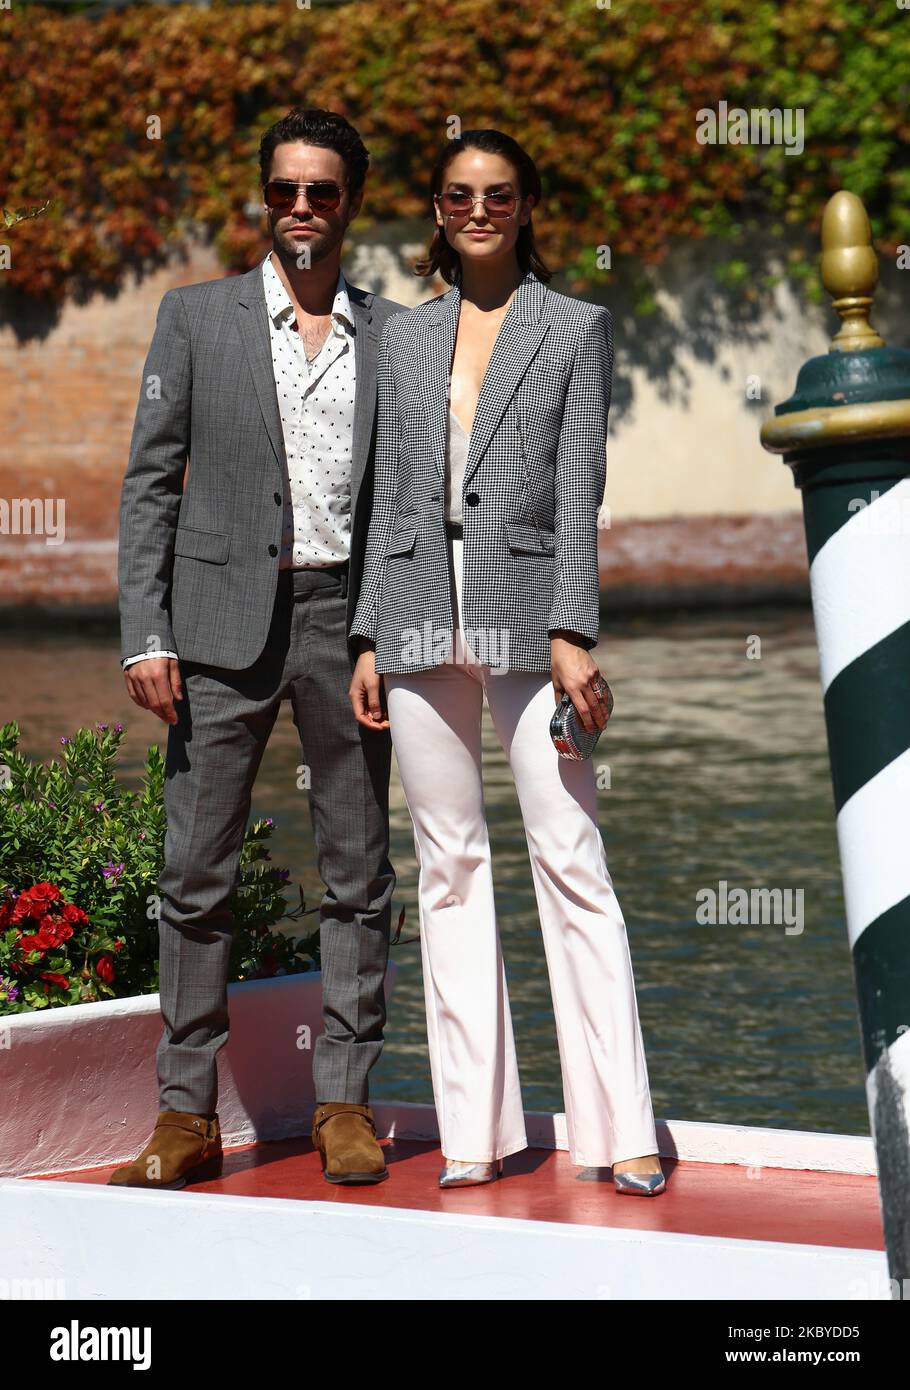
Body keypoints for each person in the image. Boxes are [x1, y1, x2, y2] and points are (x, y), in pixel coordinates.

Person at [348, 129, 665, 1195]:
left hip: (530, 617)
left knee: (571, 857)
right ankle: (475, 1132)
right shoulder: (399, 337)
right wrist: (363, 633)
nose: (476, 210)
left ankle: (623, 1126)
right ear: (436, 211)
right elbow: (384, 496)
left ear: (526, 204)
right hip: (415, 614)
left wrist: (574, 628)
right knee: (447, 869)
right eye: (456, 196)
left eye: (496, 195)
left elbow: (581, 488)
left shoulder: (576, 327)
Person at [112, 108, 404, 1190]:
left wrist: (380, 630)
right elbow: (149, 484)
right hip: (217, 630)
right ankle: (184, 1112)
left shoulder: (395, 334)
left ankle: (344, 1103)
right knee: (195, 874)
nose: (299, 210)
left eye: (320, 192)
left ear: (350, 203)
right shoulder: (193, 319)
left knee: (358, 873)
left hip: (345, 625)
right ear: (263, 196)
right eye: (282, 190)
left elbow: (402, 507)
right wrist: (148, 631)